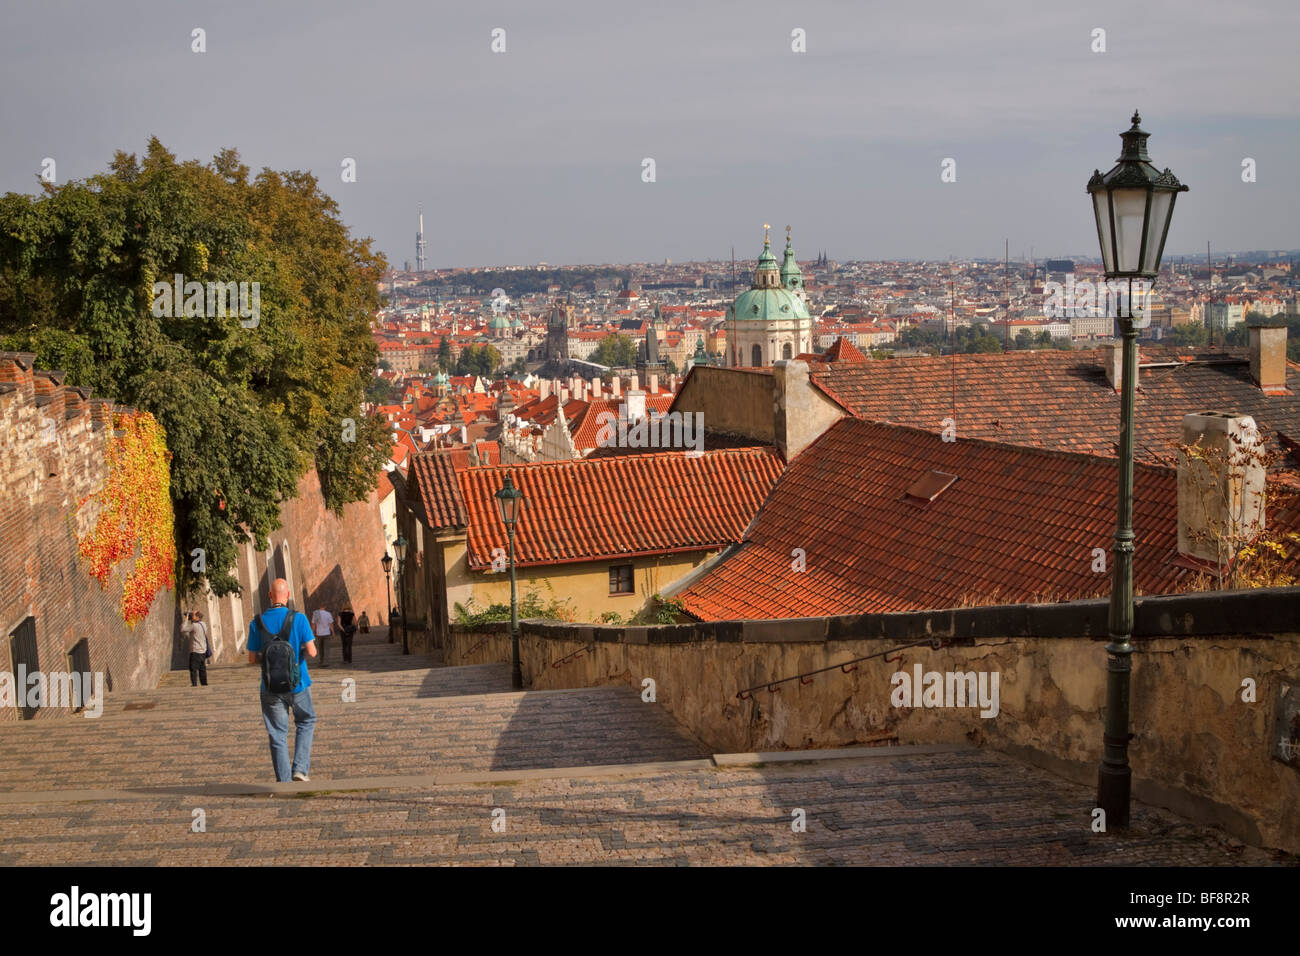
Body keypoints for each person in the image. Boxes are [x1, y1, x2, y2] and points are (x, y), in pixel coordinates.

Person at [247, 579, 317, 782]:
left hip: (269, 687)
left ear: (270, 596)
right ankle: (300, 770)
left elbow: (252, 659)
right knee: (306, 720)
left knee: (277, 734)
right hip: (299, 684)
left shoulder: (257, 622)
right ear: (288, 595)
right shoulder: (300, 619)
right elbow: (312, 652)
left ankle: (284, 782)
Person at [181, 610, 213, 687]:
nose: (192, 616)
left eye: (193, 615)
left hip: (196, 651)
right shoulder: (203, 624)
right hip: (203, 651)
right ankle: (204, 683)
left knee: (193, 668)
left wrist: (186, 619)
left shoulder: (194, 626)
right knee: (202, 669)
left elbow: (183, 629)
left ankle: (194, 684)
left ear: (197, 617)